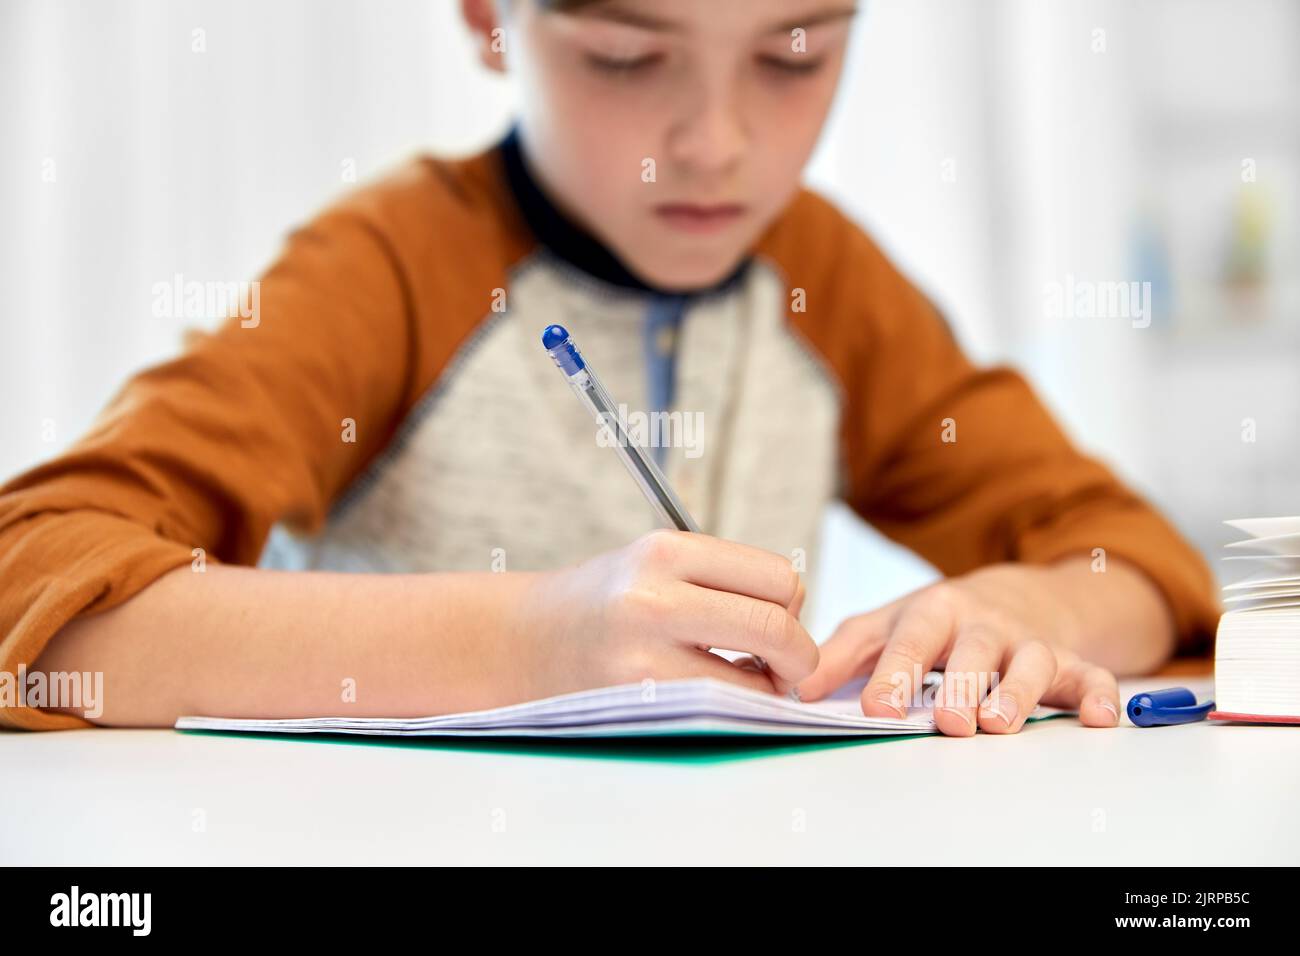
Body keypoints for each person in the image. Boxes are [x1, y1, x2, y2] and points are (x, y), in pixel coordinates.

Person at [0, 0, 1218, 734]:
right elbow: (28, 590)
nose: (714, 144)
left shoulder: (826, 277)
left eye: (792, 56)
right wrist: (529, 638)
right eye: (628, 56)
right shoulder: (390, 267)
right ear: (490, 17)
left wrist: (1029, 610)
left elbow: (1135, 556)